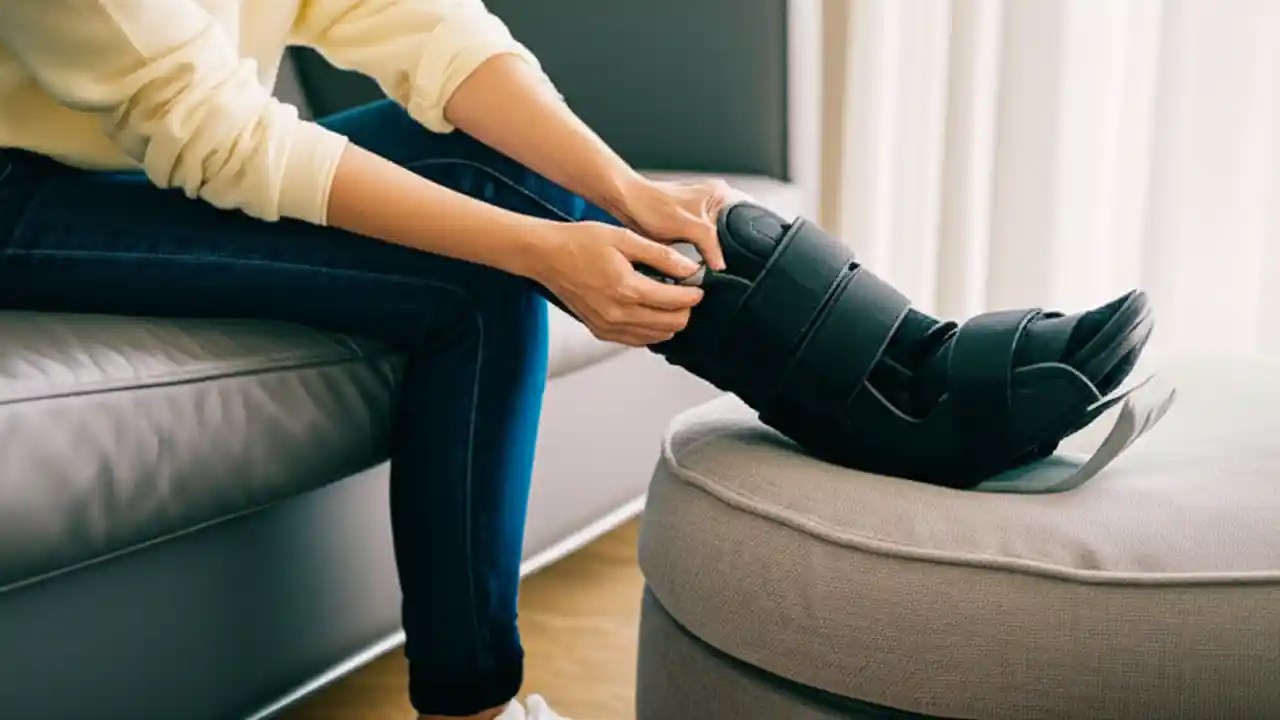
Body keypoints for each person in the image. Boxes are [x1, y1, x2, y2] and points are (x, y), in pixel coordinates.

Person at [0, 2, 732, 718]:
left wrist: (624, 189)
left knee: (489, 164)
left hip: (148, 158)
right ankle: (473, 710)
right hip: (26, 192)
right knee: (474, 276)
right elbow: (215, 132)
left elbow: (426, 24)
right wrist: (539, 249)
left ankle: (796, 354)